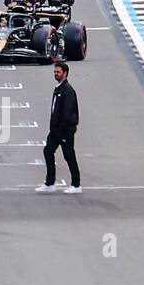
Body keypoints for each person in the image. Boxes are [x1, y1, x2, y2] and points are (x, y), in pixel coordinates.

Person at [37, 61, 81, 195]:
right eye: (55, 72)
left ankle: (76, 184)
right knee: (48, 151)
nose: (55, 74)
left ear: (65, 73)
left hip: (65, 130)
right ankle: (50, 183)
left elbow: (67, 113)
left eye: (58, 72)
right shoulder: (58, 88)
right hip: (55, 130)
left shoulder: (67, 90)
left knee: (69, 156)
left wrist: (63, 131)